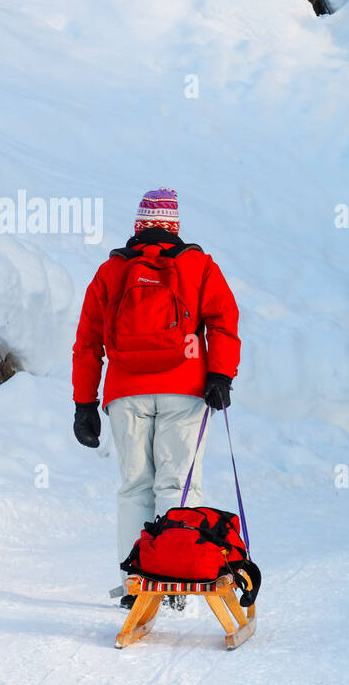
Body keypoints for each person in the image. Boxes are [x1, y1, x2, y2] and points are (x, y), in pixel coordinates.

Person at [71, 189, 241, 598]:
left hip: (126, 391)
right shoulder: (198, 265)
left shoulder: (111, 271)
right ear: (174, 227)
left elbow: (88, 343)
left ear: (138, 226)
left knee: (134, 487)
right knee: (178, 485)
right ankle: (176, 578)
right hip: (185, 390)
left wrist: (84, 403)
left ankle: (134, 584)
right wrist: (220, 374)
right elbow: (223, 321)